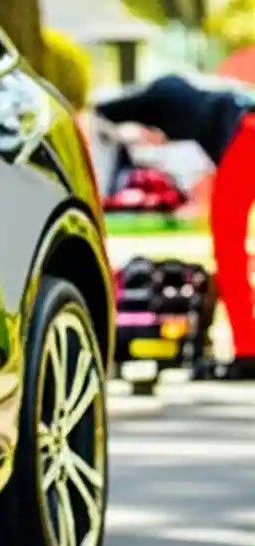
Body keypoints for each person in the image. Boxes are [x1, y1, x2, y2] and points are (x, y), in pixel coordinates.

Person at [95, 74, 255, 368]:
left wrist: (103, 117)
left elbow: (107, 110)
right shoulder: (205, 100)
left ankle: (248, 349)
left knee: (229, 251)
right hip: (245, 132)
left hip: (245, 140)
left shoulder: (161, 97)